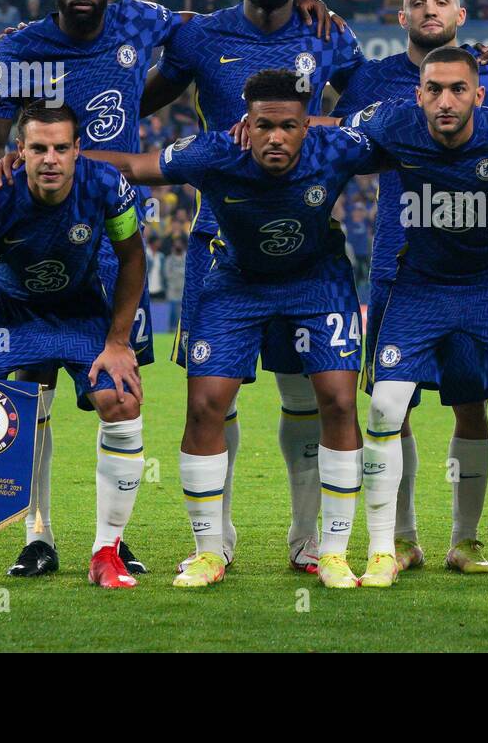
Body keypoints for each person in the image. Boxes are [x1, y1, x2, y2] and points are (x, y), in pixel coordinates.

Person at [85, 70, 383, 589]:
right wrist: (63, 158)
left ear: (306, 125)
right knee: (205, 406)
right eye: (263, 125)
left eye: (288, 126)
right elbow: (136, 165)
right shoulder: (214, 151)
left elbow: (408, 136)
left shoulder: (336, 146)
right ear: (246, 122)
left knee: (337, 401)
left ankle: (332, 551)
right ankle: (209, 551)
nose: (275, 137)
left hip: (317, 280)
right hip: (236, 283)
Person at [140, 0, 364, 576]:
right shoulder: (202, 36)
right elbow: (141, 100)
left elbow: (370, 104)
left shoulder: (327, 34)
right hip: (223, 244)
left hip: (309, 246)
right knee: (214, 399)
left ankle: (306, 537)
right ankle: (216, 541)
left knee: (309, 394)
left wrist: (312, 128)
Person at [0, 0, 182, 577]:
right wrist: (7, 225)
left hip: (109, 251)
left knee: (113, 394)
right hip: (35, 251)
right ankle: (38, 534)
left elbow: (205, 37)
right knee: (31, 397)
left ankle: (110, 540)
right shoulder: (19, 49)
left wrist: (308, 8)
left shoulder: (140, 23)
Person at [342, 46, 488, 589]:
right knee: (387, 407)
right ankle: (383, 548)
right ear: (418, 95)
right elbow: (330, 136)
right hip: (420, 288)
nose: (445, 99)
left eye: (458, 89)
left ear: (478, 95)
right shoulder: (392, 121)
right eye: (433, 89)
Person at [331, 0, 488, 574]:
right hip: (398, 264)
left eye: (442, 1)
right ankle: (403, 539)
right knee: (392, 406)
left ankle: (466, 540)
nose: (430, 9)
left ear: (462, 15)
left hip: (479, 269)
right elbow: (339, 142)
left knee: (473, 404)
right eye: (416, 2)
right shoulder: (373, 81)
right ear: (401, 17)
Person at [0, 102, 147, 590]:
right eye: (38, 148)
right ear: (19, 150)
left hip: (78, 308)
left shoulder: (106, 186)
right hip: (6, 307)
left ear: (76, 150)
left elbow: (133, 257)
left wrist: (116, 341)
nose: (50, 158)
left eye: (61, 148)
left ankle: (106, 551)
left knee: (122, 397)